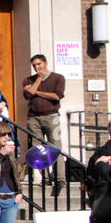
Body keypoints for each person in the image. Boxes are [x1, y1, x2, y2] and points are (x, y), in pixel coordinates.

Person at [22, 54, 66, 190]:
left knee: (55, 146)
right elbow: (28, 95)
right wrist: (38, 80)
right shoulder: (29, 79)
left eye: (39, 64)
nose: (37, 67)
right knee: (39, 149)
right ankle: (45, 177)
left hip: (51, 116)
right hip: (33, 118)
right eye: (34, 65)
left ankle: (59, 178)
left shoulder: (58, 78)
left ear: (45, 63)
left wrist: (37, 92)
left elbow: (57, 96)